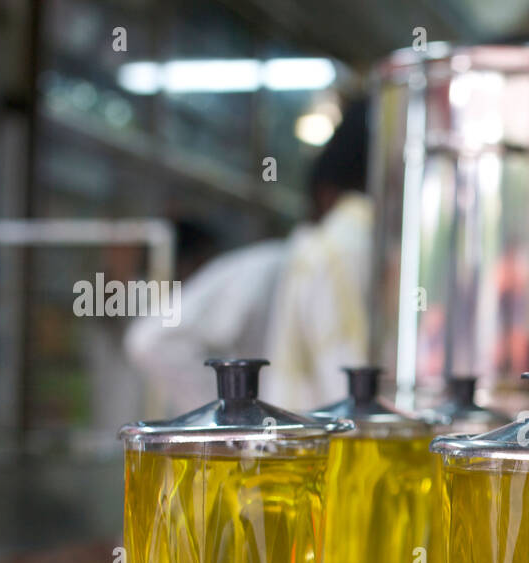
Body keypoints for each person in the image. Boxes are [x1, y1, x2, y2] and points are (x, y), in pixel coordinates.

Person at [125, 100, 373, 416]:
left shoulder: (337, 262)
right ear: (327, 195)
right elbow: (152, 341)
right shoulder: (270, 267)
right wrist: (233, 420)